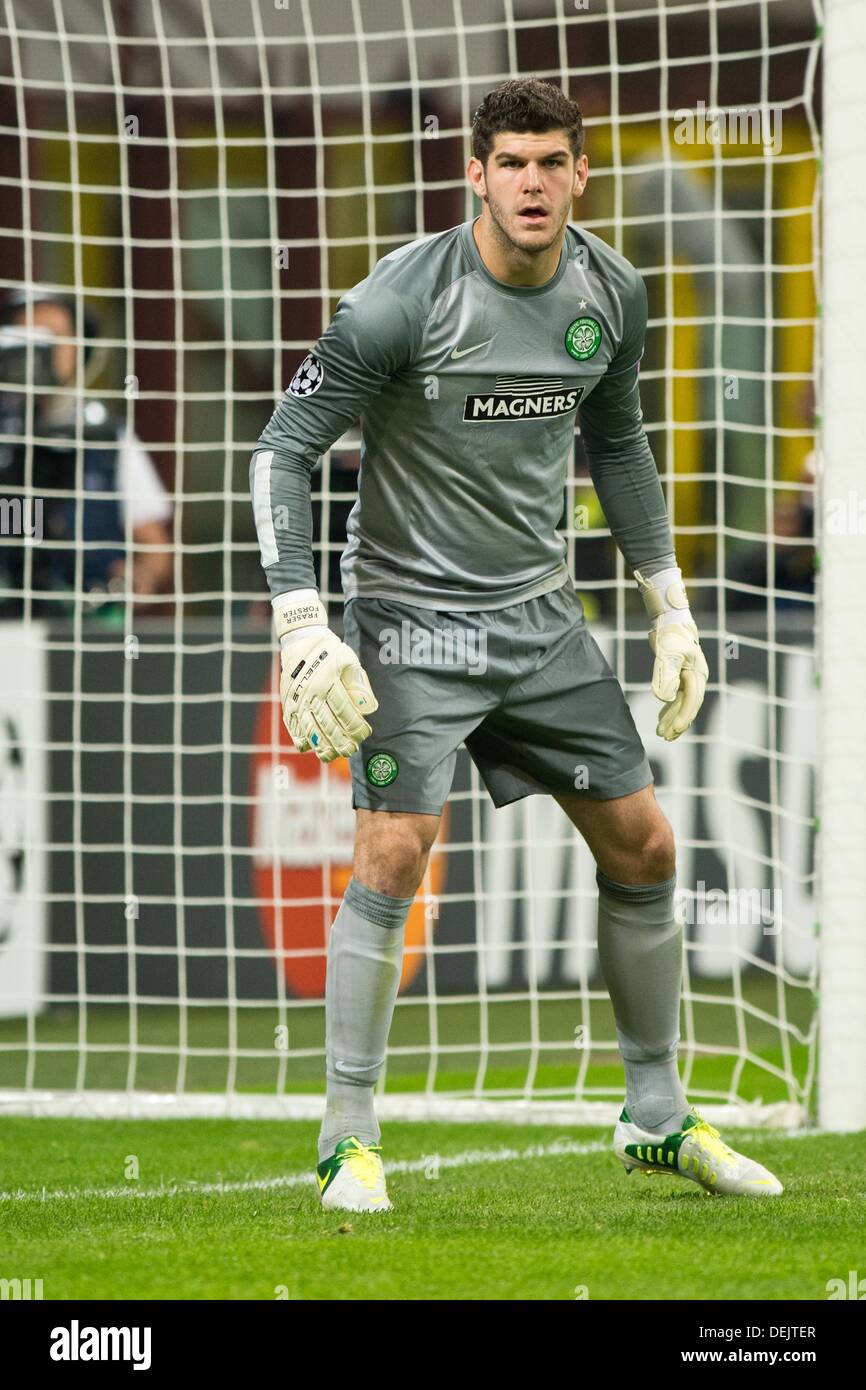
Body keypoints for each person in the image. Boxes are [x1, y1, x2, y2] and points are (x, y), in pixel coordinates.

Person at [250, 78, 782, 1210]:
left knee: (643, 846)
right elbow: (281, 450)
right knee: (392, 855)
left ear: (579, 173)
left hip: (541, 623)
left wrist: (667, 597)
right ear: (475, 176)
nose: (532, 183)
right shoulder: (397, 301)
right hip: (409, 619)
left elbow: (620, 441)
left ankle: (652, 1114)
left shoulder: (611, 294)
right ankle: (348, 1135)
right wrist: (303, 619)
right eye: (511, 164)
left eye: (551, 161)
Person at [0, 289, 172, 617]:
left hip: (88, 621)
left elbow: (156, 546)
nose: (42, 353)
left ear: (79, 348)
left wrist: (139, 575)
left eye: (54, 338)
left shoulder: (107, 435)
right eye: (28, 339)